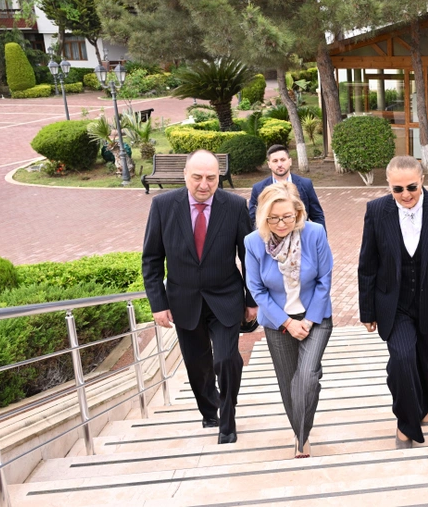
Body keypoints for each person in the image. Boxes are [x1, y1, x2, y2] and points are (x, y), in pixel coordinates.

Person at [142, 149, 257, 444]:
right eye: (197, 177)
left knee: (227, 359)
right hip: (184, 299)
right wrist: (158, 303)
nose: (204, 184)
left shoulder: (234, 206)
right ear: (185, 175)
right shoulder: (163, 206)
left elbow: (249, 256)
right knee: (198, 364)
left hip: (226, 297)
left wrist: (251, 299)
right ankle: (210, 411)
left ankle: (227, 419)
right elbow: (152, 259)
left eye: (211, 178)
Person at [358, 155, 428, 449]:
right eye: (397, 189)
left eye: (411, 187)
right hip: (395, 306)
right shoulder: (376, 210)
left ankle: (423, 405)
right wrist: (367, 310)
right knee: (402, 359)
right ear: (389, 186)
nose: (405, 195)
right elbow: (367, 264)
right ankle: (406, 423)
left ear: (422, 181)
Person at [244, 182, 333, 459]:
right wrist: (286, 322)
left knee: (305, 378)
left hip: (315, 318)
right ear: (264, 217)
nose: (281, 223)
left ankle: (303, 430)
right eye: (274, 218)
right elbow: (256, 289)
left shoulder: (314, 233)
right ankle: (300, 433)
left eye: (287, 216)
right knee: (288, 383)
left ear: (298, 212)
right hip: (277, 323)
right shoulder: (253, 242)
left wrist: (307, 321)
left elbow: (324, 279)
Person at [249, 144, 326, 228]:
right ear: (269, 164)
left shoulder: (305, 184)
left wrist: (321, 239)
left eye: (283, 160)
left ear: (290, 161)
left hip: (300, 237)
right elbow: (253, 220)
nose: (279, 164)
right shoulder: (259, 188)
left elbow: (317, 216)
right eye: (275, 161)